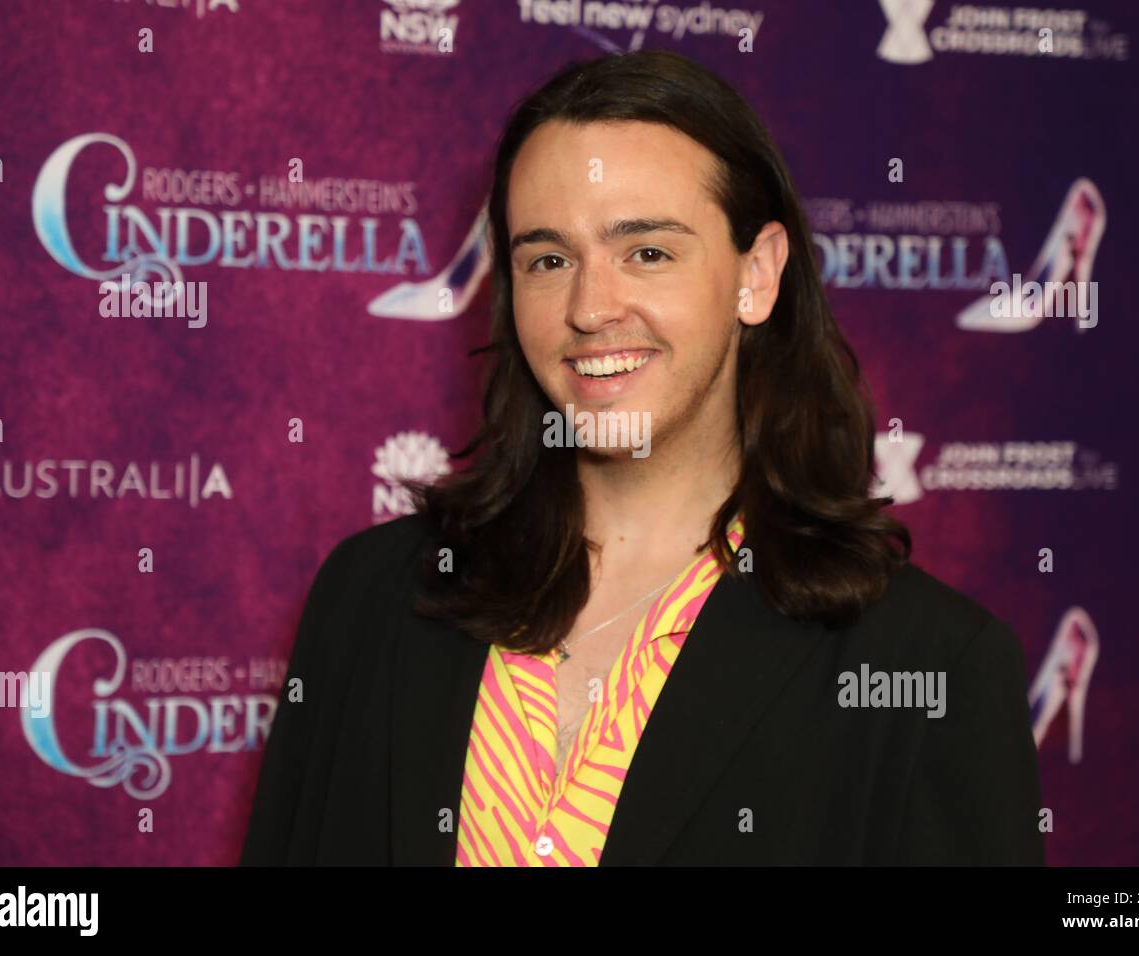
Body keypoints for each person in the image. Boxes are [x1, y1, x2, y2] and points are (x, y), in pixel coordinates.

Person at [239, 50, 1044, 867]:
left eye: (647, 252)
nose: (590, 309)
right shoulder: (373, 598)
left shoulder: (923, 666)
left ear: (757, 275)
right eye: (548, 260)